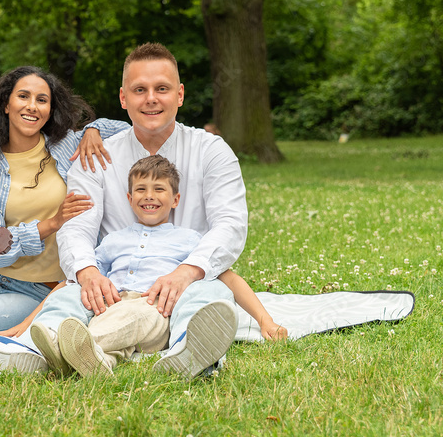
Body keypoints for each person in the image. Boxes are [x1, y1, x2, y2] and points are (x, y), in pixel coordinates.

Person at [0, 43, 250, 378]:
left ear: (180, 95)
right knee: (70, 294)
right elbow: (77, 226)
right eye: (139, 90)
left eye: (162, 89)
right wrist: (87, 271)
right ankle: (33, 347)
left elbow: (230, 224)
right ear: (123, 98)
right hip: (108, 283)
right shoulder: (94, 156)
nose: (151, 99)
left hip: (188, 278)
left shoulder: (211, 150)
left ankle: (189, 352)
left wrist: (188, 270)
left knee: (210, 293)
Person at [26, 155, 285, 377]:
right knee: (74, 292)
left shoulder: (190, 239)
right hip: (110, 305)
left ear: (175, 199)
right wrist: (29, 320)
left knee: (134, 317)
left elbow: (229, 279)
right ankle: (76, 350)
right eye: (141, 189)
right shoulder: (113, 240)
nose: (149, 196)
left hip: (155, 307)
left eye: (159, 189)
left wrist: (265, 320)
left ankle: (71, 347)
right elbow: (74, 282)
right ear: (129, 198)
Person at [0, 66, 128, 332]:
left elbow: (127, 129)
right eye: (23, 96)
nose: (32, 106)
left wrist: (93, 130)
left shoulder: (67, 145)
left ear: (50, 110)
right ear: (6, 104)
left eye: (42, 100)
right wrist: (51, 224)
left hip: (39, 289)